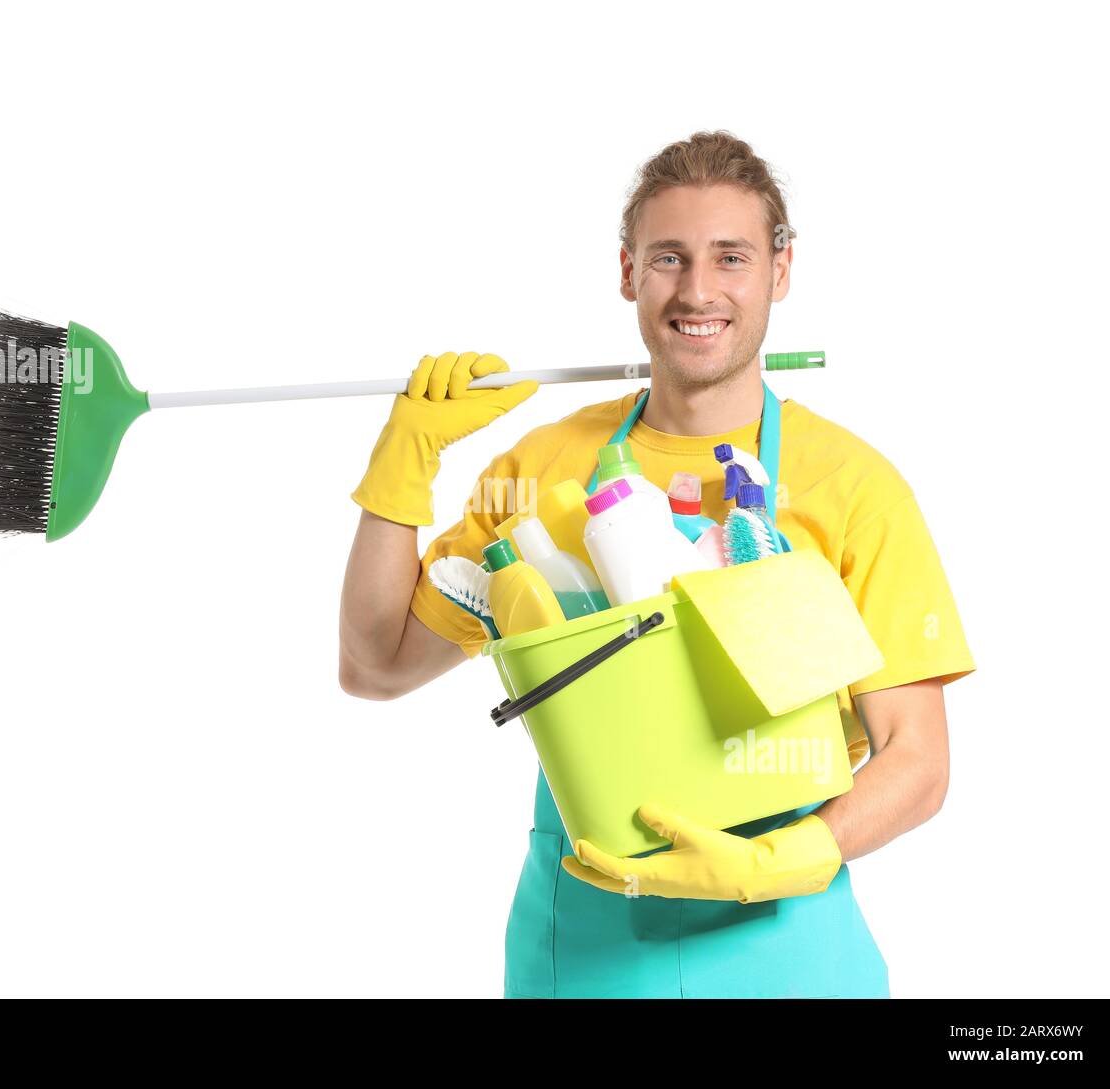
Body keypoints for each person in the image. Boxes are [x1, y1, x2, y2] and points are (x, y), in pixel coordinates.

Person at [338, 130, 976, 998]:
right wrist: (401, 464)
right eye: (669, 257)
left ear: (781, 271)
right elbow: (376, 665)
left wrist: (781, 856)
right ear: (628, 271)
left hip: (789, 955)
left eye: (732, 257)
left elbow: (917, 757)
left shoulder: (854, 486)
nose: (699, 291)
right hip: (589, 952)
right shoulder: (542, 467)